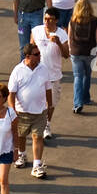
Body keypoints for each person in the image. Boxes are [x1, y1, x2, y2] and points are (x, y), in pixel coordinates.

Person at [7, 42, 53, 177]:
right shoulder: (17, 70)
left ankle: (37, 165)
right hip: (21, 112)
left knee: (37, 137)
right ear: (27, 56)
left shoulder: (43, 68)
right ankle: (22, 154)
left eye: (39, 54)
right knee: (21, 136)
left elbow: (48, 88)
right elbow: (11, 94)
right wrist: (12, 110)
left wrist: (49, 106)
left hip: (40, 112)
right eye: (36, 54)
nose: (40, 56)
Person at [31, 8, 70, 139]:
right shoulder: (36, 31)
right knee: (37, 101)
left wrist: (58, 42)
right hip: (36, 74)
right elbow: (30, 50)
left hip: (53, 75)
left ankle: (47, 124)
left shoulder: (62, 34)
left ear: (56, 20)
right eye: (45, 19)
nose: (47, 22)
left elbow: (66, 55)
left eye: (50, 19)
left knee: (51, 104)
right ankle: (39, 126)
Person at [68, 0, 97, 114]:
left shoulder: (72, 20)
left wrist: (70, 49)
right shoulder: (94, 21)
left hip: (76, 53)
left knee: (77, 76)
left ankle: (77, 103)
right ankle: (86, 98)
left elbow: (69, 37)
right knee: (87, 75)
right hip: (89, 53)